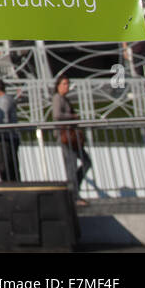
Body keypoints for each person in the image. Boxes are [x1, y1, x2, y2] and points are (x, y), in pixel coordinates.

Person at [52, 75, 93, 206]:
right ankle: (73, 196)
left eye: (68, 84)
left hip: (72, 137)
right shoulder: (57, 98)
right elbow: (57, 115)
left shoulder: (64, 98)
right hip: (66, 137)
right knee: (71, 166)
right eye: (64, 84)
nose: (67, 86)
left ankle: (74, 189)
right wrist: (72, 116)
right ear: (58, 86)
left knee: (86, 162)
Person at [0, 79, 21, 182]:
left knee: (7, 166)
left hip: (6, 137)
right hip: (9, 136)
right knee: (10, 165)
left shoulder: (4, 100)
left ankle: (10, 185)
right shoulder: (6, 99)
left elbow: (3, 119)